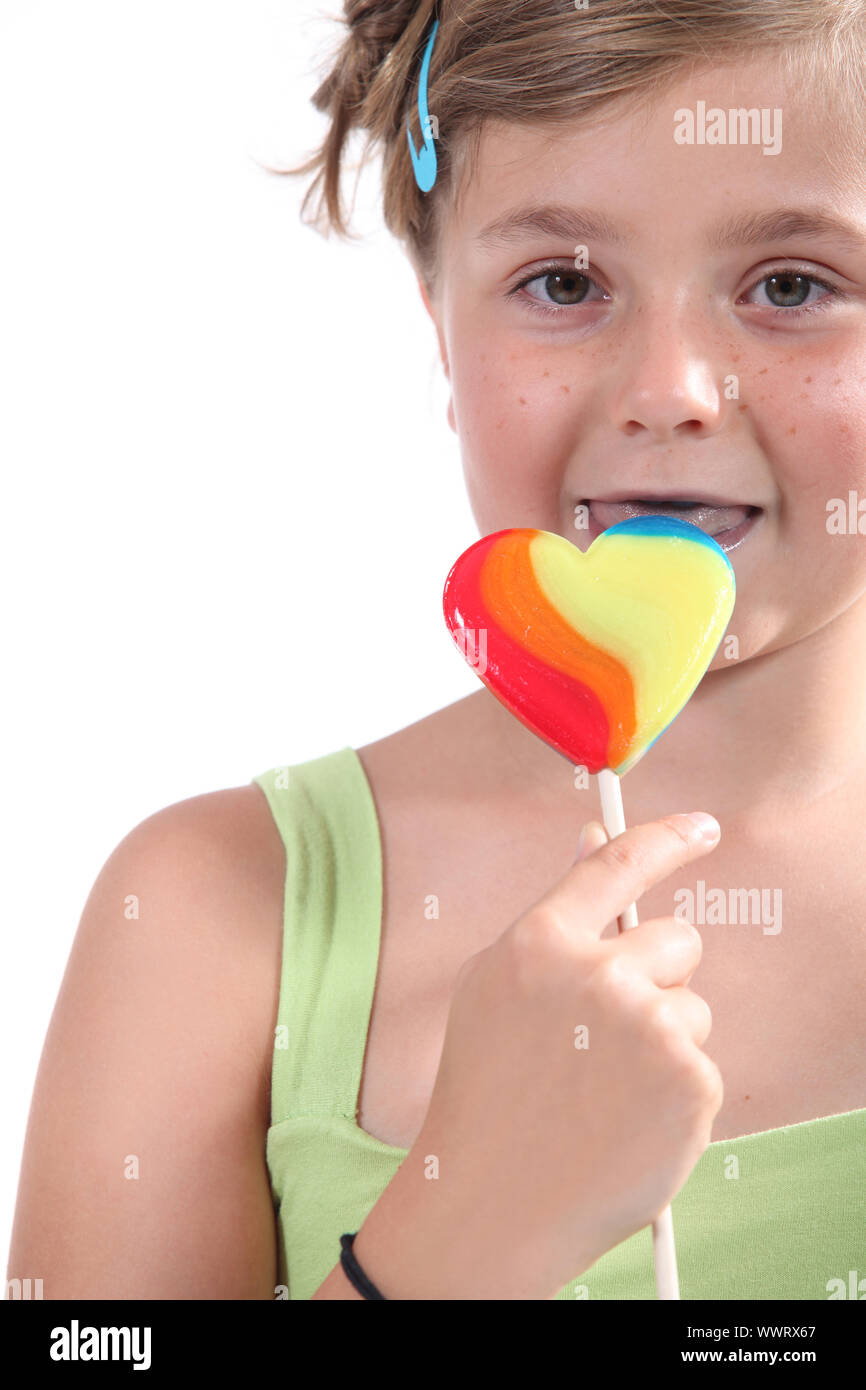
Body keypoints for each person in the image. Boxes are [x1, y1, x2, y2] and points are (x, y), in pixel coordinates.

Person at [8, 0, 866, 1301]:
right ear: (438, 322)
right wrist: (463, 1232)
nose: (672, 386)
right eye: (564, 284)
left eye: (792, 286)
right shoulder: (217, 915)